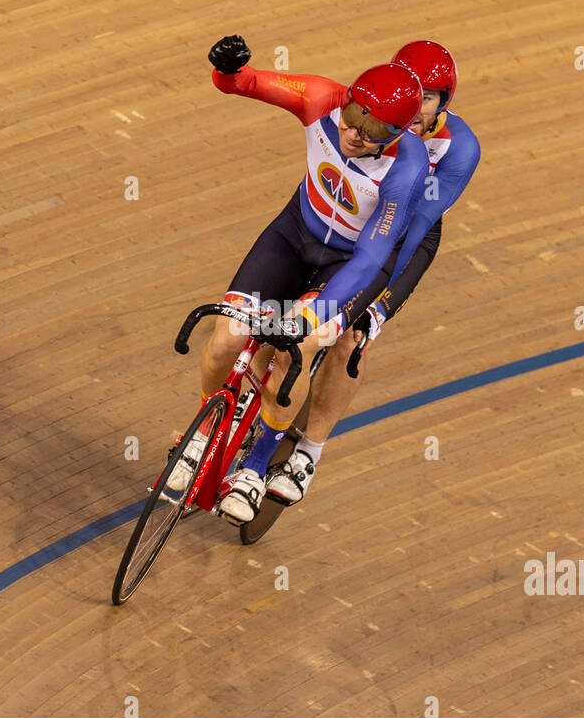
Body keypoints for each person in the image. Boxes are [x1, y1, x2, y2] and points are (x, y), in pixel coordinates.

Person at [169, 34, 429, 525]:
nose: (354, 133)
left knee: (299, 348)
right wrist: (227, 70)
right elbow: (242, 84)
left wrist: (311, 317)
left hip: (344, 262)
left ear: (396, 133)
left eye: (372, 130)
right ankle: (201, 435)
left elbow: (372, 258)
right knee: (227, 339)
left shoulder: (407, 168)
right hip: (292, 237)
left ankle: (254, 465)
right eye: (354, 116)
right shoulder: (320, 97)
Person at [263, 41, 482, 505]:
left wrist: (366, 300)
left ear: (445, 100)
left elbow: (410, 227)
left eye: (427, 97)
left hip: (399, 241)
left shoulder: (458, 148)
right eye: (412, 91)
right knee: (273, 311)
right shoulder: (374, 115)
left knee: (347, 338)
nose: (417, 104)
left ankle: (308, 452)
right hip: (341, 220)